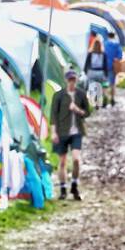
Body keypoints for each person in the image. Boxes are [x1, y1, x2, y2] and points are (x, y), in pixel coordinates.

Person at [50, 68, 90, 200]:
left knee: (76, 159)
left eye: (74, 80)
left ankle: (74, 184)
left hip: (76, 131)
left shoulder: (81, 95)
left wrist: (77, 110)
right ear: (66, 81)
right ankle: (62, 188)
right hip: (62, 131)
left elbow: (87, 113)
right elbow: (53, 116)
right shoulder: (59, 96)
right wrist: (53, 132)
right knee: (62, 162)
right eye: (70, 80)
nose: (72, 82)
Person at [84, 35, 110, 109]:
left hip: (91, 72)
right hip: (100, 72)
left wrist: (85, 72)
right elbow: (105, 65)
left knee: (93, 87)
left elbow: (87, 63)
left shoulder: (90, 53)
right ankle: (99, 102)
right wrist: (106, 74)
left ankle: (94, 101)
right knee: (99, 88)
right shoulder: (103, 54)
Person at [103, 29, 122, 105]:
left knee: (104, 83)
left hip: (104, 66)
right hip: (113, 66)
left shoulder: (104, 44)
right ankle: (112, 99)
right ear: (114, 35)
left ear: (108, 36)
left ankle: (105, 98)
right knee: (112, 83)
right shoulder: (116, 44)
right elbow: (120, 56)